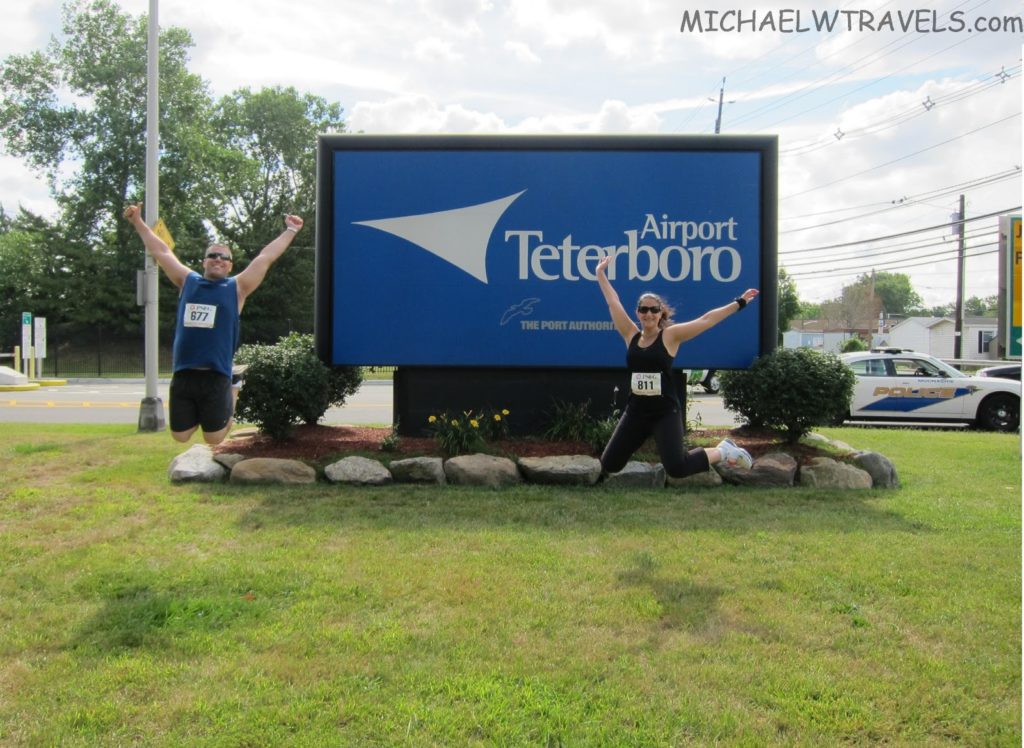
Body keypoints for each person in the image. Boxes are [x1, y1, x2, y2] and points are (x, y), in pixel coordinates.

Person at [124, 204, 303, 444]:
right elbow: (161, 251)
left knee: (215, 438)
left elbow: (266, 257)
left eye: (224, 257)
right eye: (212, 255)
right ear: (204, 262)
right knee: (180, 436)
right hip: (184, 374)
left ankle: (235, 384)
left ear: (230, 265)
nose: (218, 259)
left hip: (217, 375)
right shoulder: (187, 281)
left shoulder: (237, 288)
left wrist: (291, 230)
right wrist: (138, 222)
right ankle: (203, 413)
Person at [595, 254, 759, 479]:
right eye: (644, 309)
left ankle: (723, 450)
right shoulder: (630, 335)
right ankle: (722, 450)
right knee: (610, 463)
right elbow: (613, 302)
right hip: (636, 412)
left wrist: (738, 303)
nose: (649, 314)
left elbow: (706, 320)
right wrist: (600, 274)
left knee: (677, 468)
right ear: (637, 313)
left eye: (654, 309)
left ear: (661, 313)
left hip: (665, 412)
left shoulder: (670, 336)